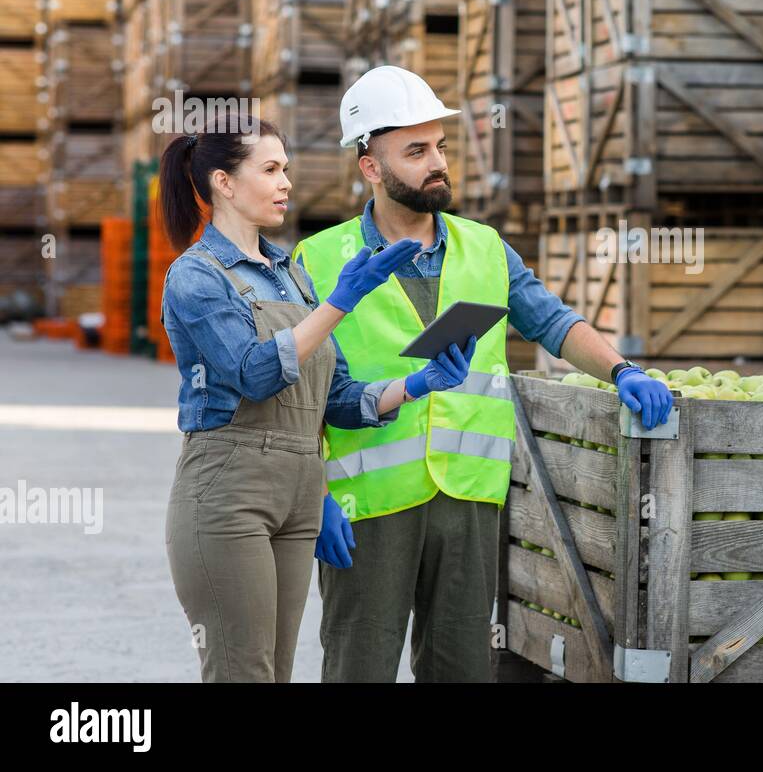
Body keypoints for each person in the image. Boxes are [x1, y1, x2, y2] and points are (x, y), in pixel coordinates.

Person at [294, 66, 674, 682]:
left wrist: (622, 370)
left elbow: (553, 323)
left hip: (468, 500)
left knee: (464, 670)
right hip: (366, 505)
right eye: (415, 151)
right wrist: (312, 496)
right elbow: (300, 395)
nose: (436, 162)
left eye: (439, 146)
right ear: (370, 166)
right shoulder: (318, 259)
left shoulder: (487, 249)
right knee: (357, 667)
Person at [158, 115, 477, 683]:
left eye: (288, 169)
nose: (286, 183)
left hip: (299, 489)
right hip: (230, 490)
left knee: (276, 672)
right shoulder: (195, 277)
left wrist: (419, 383)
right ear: (224, 183)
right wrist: (344, 300)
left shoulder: (291, 278)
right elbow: (255, 375)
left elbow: (337, 399)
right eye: (271, 170)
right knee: (243, 671)